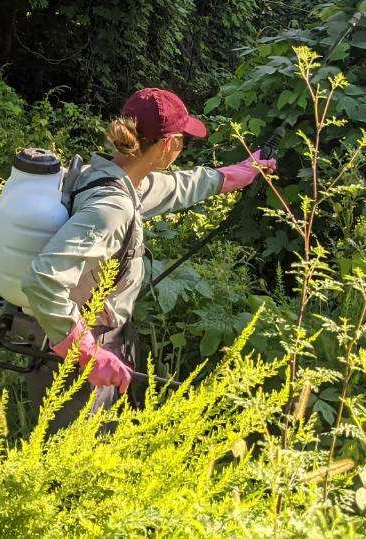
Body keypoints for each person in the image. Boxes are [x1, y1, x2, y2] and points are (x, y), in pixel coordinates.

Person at [17, 87, 274, 427]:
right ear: (170, 145)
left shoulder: (113, 178)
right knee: (75, 462)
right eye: (182, 139)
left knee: (100, 449)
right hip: (79, 349)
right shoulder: (111, 207)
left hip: (98, 339)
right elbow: (42, 280)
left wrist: (241, 172)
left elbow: (181, 187)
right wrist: (88, 354)